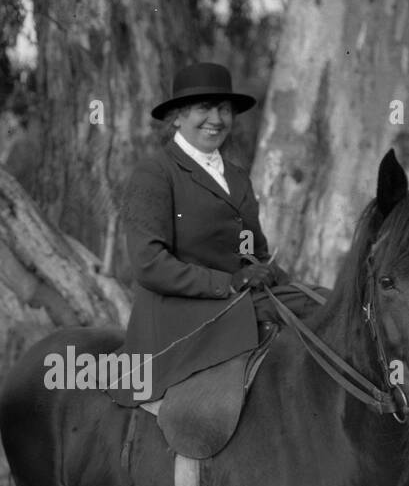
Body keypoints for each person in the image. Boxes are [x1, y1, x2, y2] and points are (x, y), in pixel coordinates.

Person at [119, 61, 286, 404]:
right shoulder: (156, 173)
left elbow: (250, 249)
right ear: (178, 116)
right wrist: (229, 283)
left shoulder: (238, 177)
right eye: (204, 108)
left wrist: (265, 269)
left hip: (236, 303)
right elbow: (149, 264)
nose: (216, 118)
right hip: (179, 315)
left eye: (224, 109)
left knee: (315, 310)